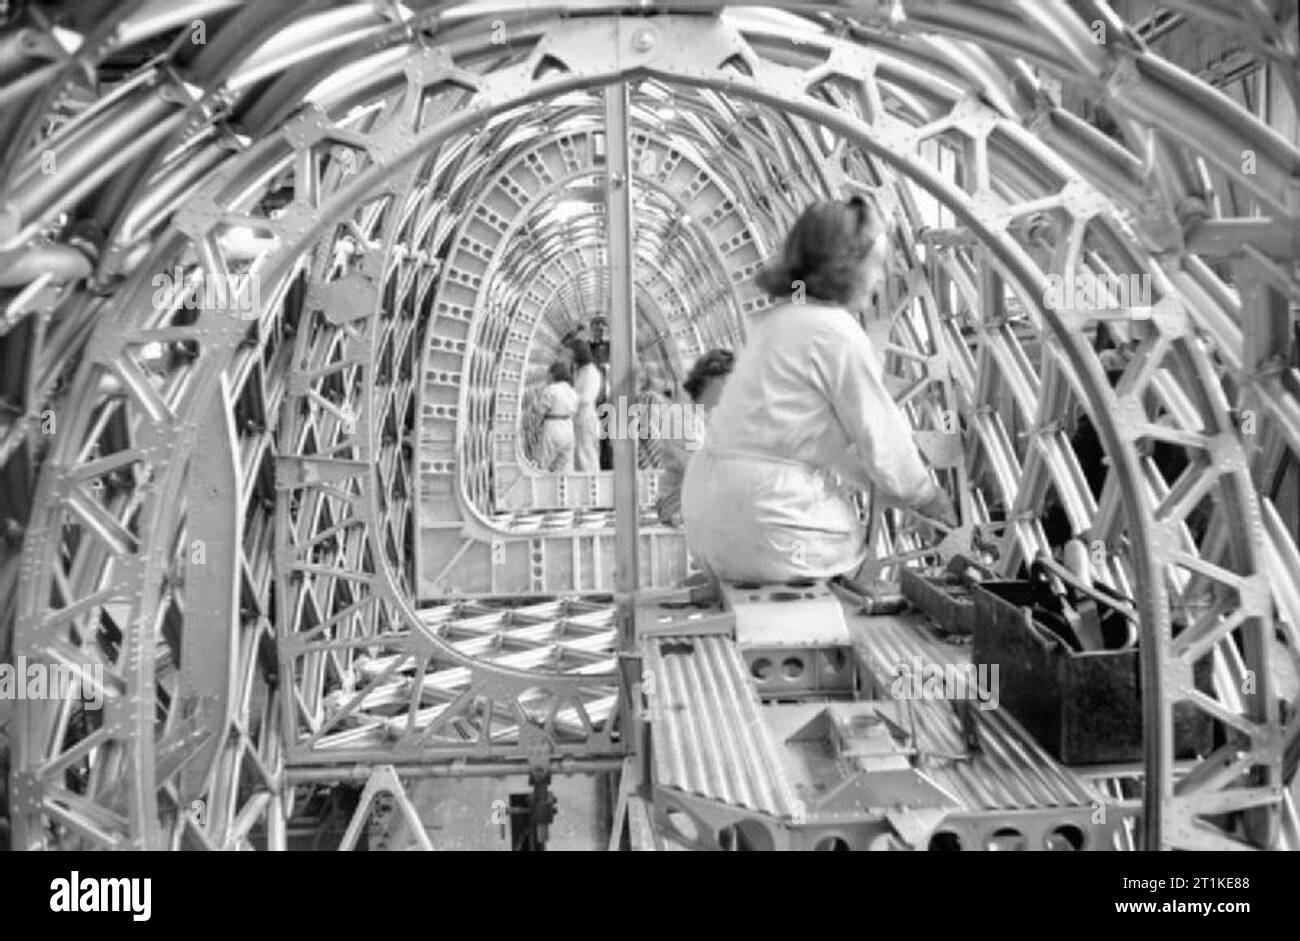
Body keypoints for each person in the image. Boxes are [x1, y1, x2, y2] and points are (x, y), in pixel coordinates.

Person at [681, 196, 957, 583]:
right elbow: (882, 438)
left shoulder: (778, 323)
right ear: (846, 265)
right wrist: (928, 497)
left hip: (709, 516)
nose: (879, 279)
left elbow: (830, 448)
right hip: (766, 520)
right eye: (875, 265)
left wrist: (901, 495)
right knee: (847, 541)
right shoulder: (835, 331)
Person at [655, 349, 734, 526]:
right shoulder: (680, 418)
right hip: (676, 501)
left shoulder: (717, 416)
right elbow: (701, 466)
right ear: (707, 381)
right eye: (727, 381)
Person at [534, 360, 578, 472]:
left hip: (553, 427)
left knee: (543, 465)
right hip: (568, 428)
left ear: (553, 374)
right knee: (564, 467)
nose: (546, 377)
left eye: (548, 374)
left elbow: (539, 410)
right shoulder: (572, 391)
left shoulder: (551, 390)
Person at [570, 340, 602, 471]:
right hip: (579, 418)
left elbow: (587, 398)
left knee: (588, 457)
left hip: (586, 417)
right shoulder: (581, 371)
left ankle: (593, 486)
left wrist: (568, 399)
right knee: (581, 455)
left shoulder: (591, 372)